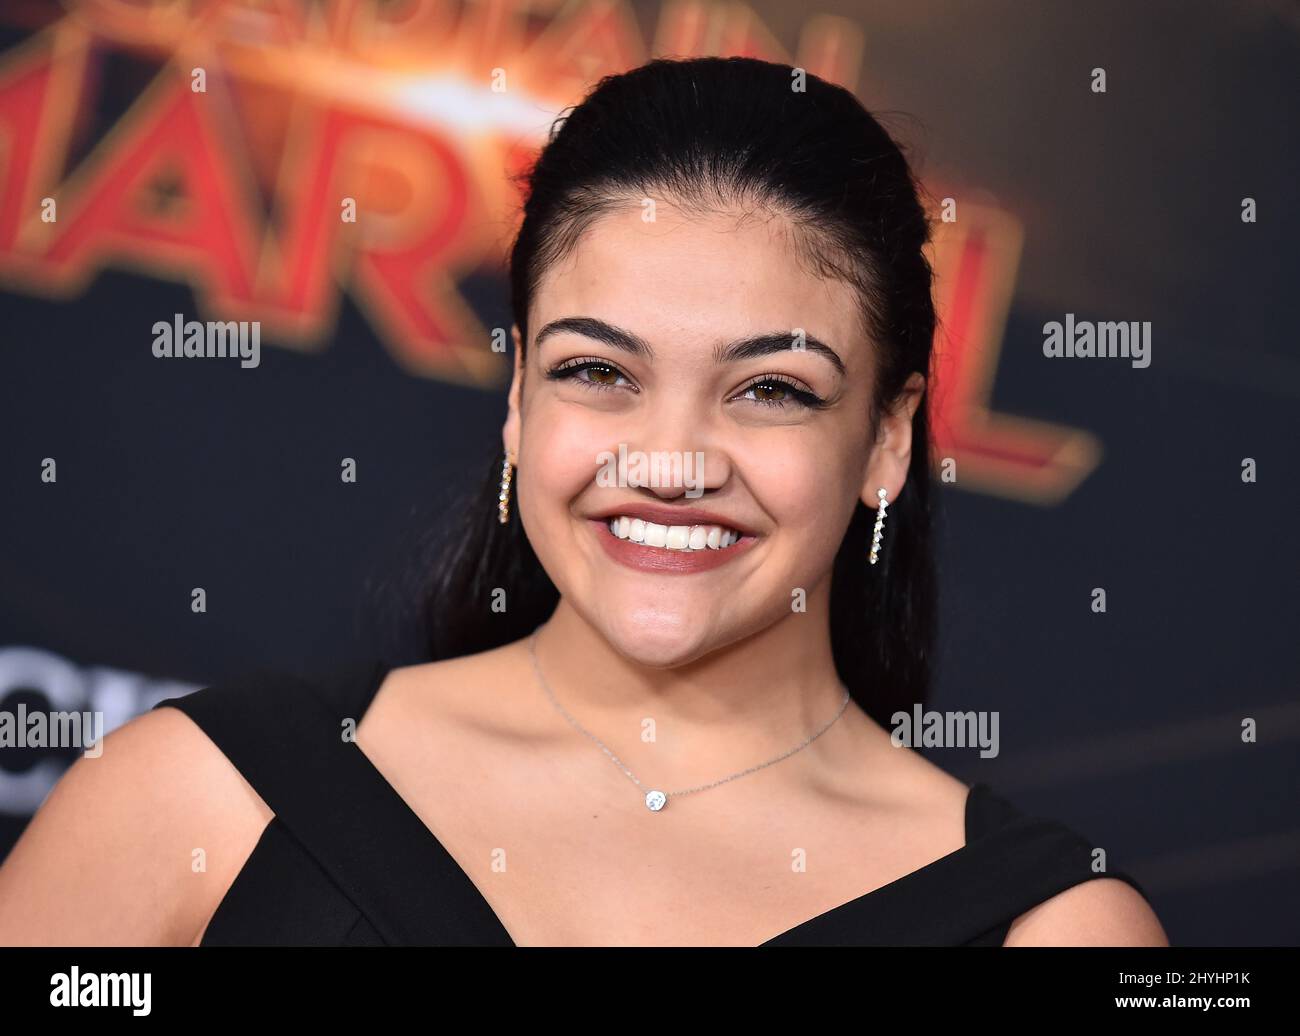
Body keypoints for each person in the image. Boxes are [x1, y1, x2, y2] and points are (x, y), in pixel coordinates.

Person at [0, 56, 1167, 947]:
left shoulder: (1052, 929)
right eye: (598, 371)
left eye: (770, 389)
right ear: (518, 399)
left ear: (887, 438)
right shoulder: (194, 794)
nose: (669, 461)